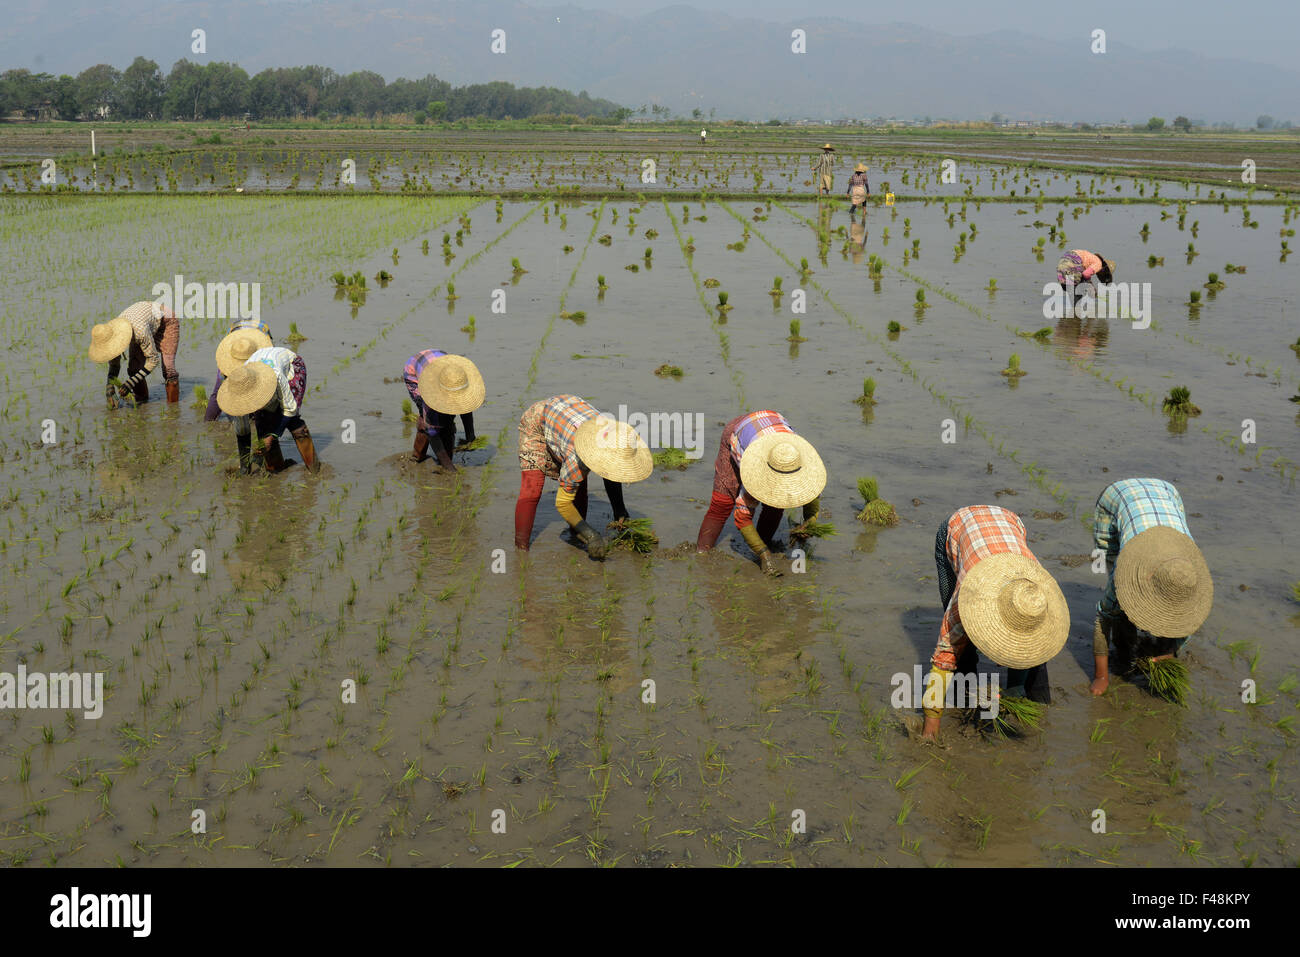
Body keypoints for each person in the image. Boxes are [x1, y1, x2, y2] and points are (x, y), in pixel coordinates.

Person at [922, 505, 1070, 740]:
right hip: (958, 527)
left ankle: (1026, 695)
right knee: (961, 644)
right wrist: (931, 725)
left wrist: (1014, 694)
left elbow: (1031, 644)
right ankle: (966, 693)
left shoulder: (1037, 592)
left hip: (1011, 522)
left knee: (1031, 645)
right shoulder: (965, 600)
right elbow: (943, 658)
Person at [1089, 478, 1213, 696]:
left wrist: (1170, 652)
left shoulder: (1191, 578)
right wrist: (1101, 676)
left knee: (1174, 614)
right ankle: (1125, 627)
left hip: (1168, 493)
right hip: (1118, 497)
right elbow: (1102, 618)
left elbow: (1188, 625)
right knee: (1117, 597)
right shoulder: (1125, 571)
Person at [514, 395, 652, 557]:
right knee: (532, 489)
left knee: (578, 481)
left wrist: (620, 511)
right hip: (537, 422)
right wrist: (592, 535)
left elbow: (611, 472)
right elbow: (562, 503)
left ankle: (576, 535)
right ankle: (520, 550)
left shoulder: (612, 437)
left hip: (567, 414)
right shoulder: (577, 454)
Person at [696, 411, 825, 577]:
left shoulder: (806, 467)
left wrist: (808, 524)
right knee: (723, 503)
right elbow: (742, 516)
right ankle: (701, 555)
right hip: (740, 432)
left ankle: (762, 543)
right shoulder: (757, 471)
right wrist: (764, 556)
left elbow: (812, 498)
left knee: (776, 505)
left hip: (773, 427)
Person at [216, 345, 319, 475]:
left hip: (290, 366)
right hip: (259, 368)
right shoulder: (236, 395)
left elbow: (290, 409)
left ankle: (314, 468)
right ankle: (276, 469)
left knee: (293, 421)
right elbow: (242, 431)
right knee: (262, 423)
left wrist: (273, 436)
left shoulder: (276, 376)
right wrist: (244, 468)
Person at [88, 300, 180, 405]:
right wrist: (109, 387)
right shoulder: (110, 335)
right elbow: (114, 364)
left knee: (169, 370)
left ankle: (173, 410)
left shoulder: (139, 332)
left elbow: (153, 360)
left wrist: (131, 383)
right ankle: (142, 400)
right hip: (143, 321)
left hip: (166, 319)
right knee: (134, 369)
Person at [404, 349, 483, 470]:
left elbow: (465, 408)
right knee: (430, 419)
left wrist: (470, 435)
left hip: (440, 362)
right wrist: (450, 468)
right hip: (414, 370)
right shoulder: (430, 395)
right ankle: (417, 456)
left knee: (446, 419)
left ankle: (444, 431)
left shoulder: (458, 377)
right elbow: (432, 433)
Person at [207, 321, 273, 421]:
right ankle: (208, 421)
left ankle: (257, 419)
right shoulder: (228, 358)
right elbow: (217, 395)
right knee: (219, 388)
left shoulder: (263, 353)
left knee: (259, 386)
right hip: (235, 341)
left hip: (257, 335)